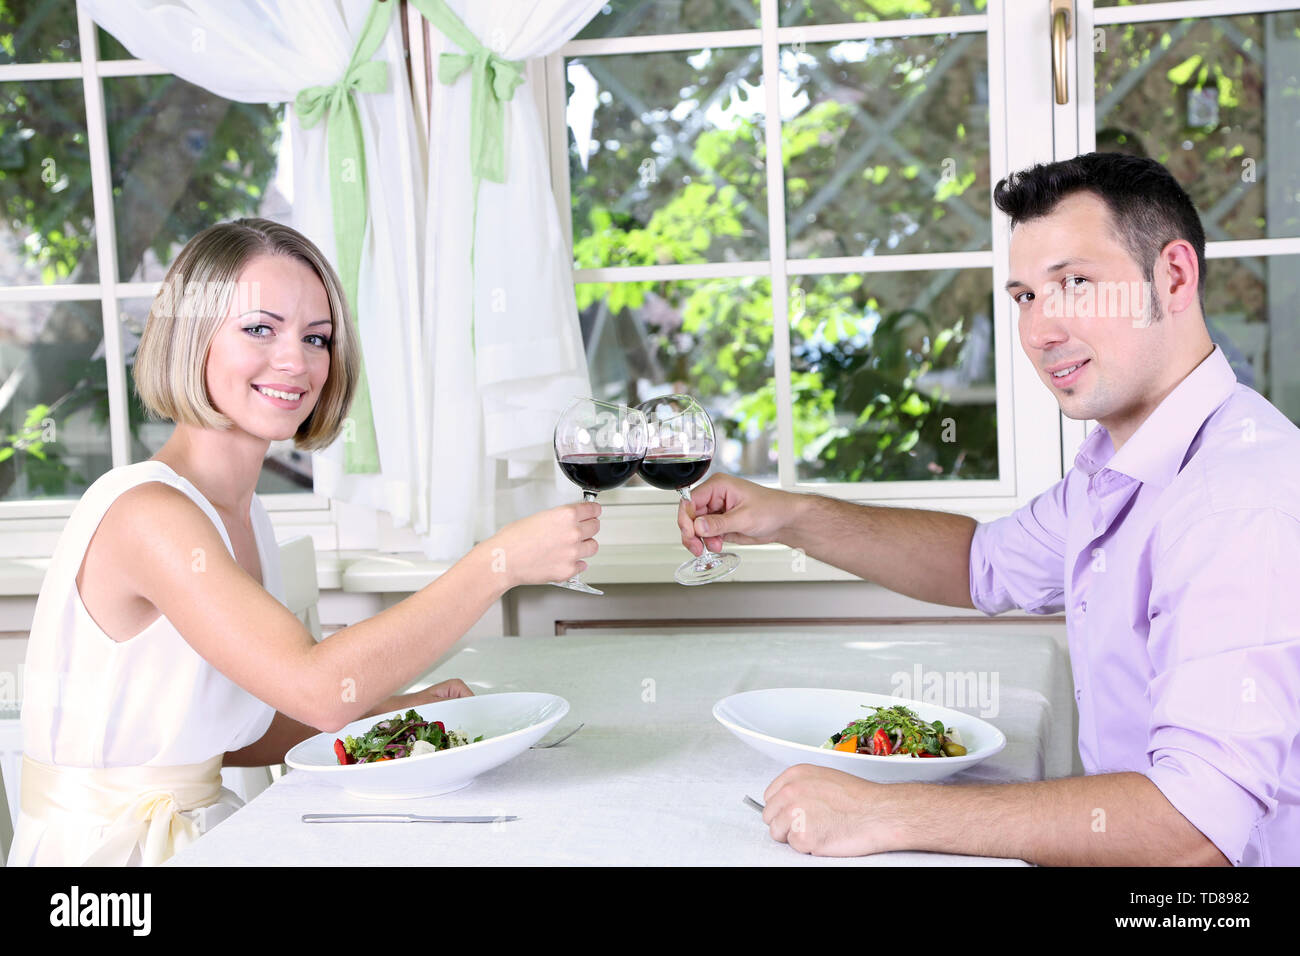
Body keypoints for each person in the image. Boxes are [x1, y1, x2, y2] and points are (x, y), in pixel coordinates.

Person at [679, 153, 1299, 866]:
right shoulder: (1125, 464)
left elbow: (1194, 831)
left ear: (1175, 277)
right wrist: (788, 516)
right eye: (1025, 296)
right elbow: (980, 562)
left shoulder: (1237, 502)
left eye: (1074, 283)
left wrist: (880, 812)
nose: (1040, 331)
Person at [8, 218, 600, 866]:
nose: (296, 360)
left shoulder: (242, 514)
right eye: (259, 328)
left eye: (316, 338)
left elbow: (229, 734)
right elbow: (319, 689)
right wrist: (498, 563)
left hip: (199, 832)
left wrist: (393, 712)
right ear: (190, 336)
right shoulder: (149, 513)